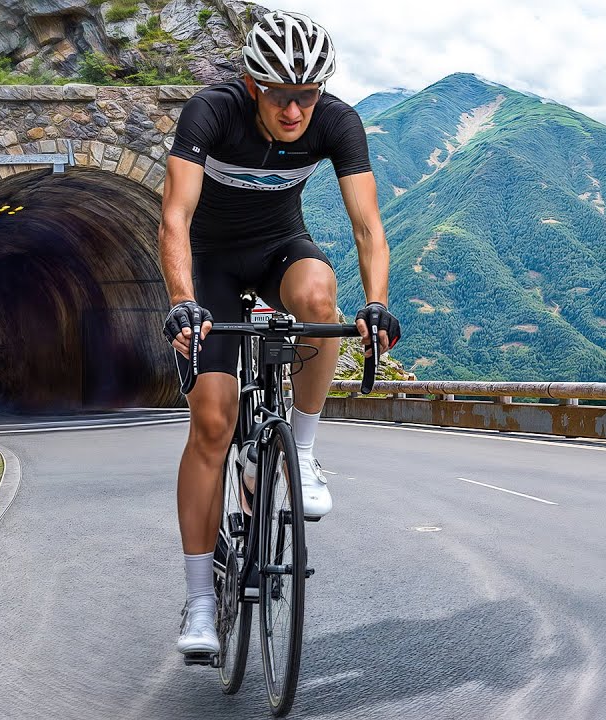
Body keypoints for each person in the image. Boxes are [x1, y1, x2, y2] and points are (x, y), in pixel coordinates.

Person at [158, 10, 401, 658]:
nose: (294, 110)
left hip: (277, 250)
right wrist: (183, 302)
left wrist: (376, 304)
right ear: (250, 83)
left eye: (308, 95)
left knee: (323, 301)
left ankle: (302, 450)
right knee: (212, 424)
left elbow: (368, 226)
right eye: (279, 94)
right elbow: (175, 219)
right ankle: (201, 600)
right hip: (208, 264)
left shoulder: (336, 122)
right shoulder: (210, 115)